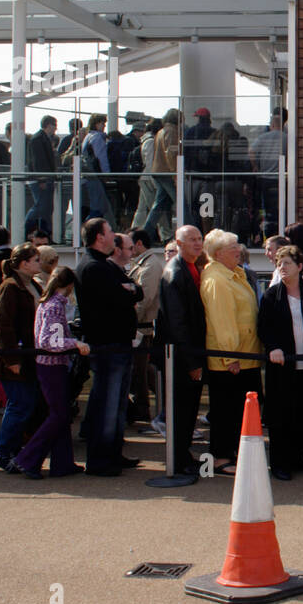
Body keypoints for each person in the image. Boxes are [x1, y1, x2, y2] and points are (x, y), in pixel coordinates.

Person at [74, 217, 143, 476]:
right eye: (110, 230)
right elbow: (121, 298)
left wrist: (130, 292)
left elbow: (137, 291)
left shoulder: (103, 265)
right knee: (107, 404)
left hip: (118, 344)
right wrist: (129, 293)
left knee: (116, 406)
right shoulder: (93, 267)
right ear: (99, 237)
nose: (114, 234)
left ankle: (112, 454)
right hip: (108, 345)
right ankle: (101, 460)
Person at [258, 243, 303, 480]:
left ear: (299, 266)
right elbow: (264, 327)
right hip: (283, 368)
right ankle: (280, 462)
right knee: (281, 416)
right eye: (279, 263)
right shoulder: (271, 296)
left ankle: (299, 456)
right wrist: (273, 347)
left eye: (286, 262)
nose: (282, 267)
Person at [200, 229, 262, 477]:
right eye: (232, 247)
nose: (238, 250)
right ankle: (221, 457)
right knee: (226, 410)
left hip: (246, 356)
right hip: (232, 361)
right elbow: (222, 321)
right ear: (217, 254)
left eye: (238, 245)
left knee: (238, 410)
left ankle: (233, 453)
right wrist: (231, 357)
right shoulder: (217, 279)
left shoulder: (235, 274)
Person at [19, 266, 88, 478]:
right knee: (58, 416)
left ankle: (62, 462)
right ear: (69, 286)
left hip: (47, 365)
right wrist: (75, 343)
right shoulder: (56, 306)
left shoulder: (45, 303)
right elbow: (50, 341)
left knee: (60, 414)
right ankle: (29, 458)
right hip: (52, 366)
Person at [153, 225, 207, 475]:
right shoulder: (174, 273)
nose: (197, 243)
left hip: (188, 353)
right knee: (181, 410)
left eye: (199, 239)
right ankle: (177, 459)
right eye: (191, 240)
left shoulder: (191, 268)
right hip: (179, 356)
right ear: (179, 243)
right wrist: (192, 362)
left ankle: (183, 455)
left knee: (188, 409)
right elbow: (178, 323)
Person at [0, 244, 42, 473]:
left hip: (29, 356)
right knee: (19, 405)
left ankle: (14, 450)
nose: (39, 264)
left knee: (25, 405)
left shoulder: (33, 286)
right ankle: (5, 453)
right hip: (16, 358)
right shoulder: (10, 288)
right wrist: (11, 359)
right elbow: (3, 325)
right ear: (24, 263)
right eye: (36, 260)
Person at [126, 230, 164, 428]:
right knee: (142, 371)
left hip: (142, 328)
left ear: (139, 244)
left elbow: (144, 299)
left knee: (139, 371)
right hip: (140, 326)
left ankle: (143, 409)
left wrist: (131, 324)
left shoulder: (150, 266)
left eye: (131, 246)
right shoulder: (143, 264)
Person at [144, 109, 180, 242]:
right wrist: (175, 172)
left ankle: (145, 233)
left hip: (158, 171)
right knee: (181, 202)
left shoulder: (161, 131)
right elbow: (171, 153)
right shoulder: (171, 131)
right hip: (166, 172)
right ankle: (191, 229)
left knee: (159, 204)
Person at [25, 115, 59, 237]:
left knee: (45, 208)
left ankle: (44, 234)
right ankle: (27, 229)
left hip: (44, 178)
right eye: (54, 125)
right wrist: (42, 179)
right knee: (41, 206)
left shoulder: (40, 138)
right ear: (49, 125)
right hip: (41, 179)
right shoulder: (38, 139)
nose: (56, 128)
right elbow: (38, 161)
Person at [79, 113, 115, 222]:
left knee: (88, 206)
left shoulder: (87, 137)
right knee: (99, 207)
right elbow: (101, 157)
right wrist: (106, 174)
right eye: (102, 123)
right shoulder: (98, 138)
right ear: (96, 124)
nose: (104, 125)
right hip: (95, 176)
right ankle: (90, 229)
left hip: (86, 176)